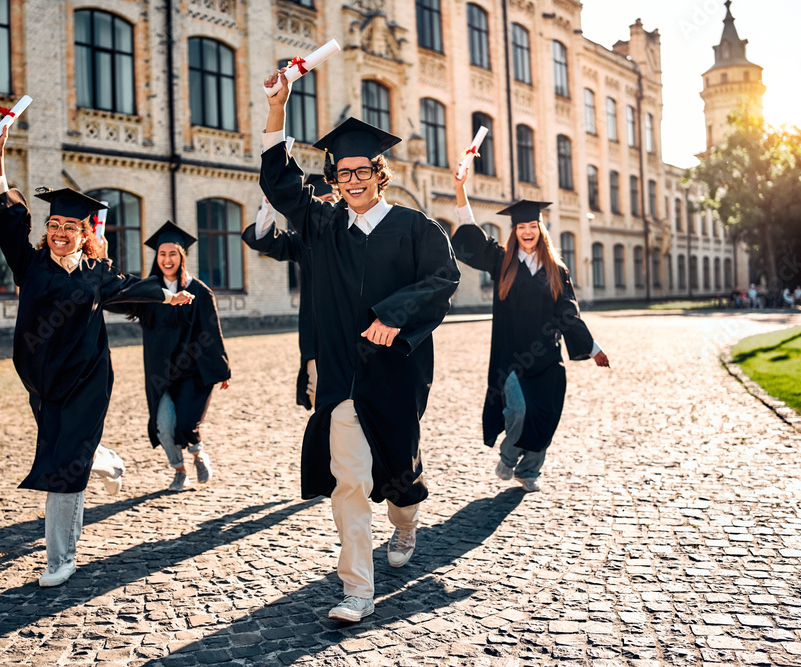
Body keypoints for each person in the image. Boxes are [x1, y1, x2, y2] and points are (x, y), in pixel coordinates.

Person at [260, 69, 460, 623]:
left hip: (397, 371)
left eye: (362, 171)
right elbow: (279, 182)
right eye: (343, 172)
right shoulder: (323, 226)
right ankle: (356, 589)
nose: (352, 179)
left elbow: (443, 280)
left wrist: (393, 318)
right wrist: (279, 108)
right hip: (345, 374)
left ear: (380, 173)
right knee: (349, 479)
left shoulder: (417, 227)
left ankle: (406, 522)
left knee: (398, 473)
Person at [0, 124, 192, 588]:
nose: (58, 232)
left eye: (68, 227)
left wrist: (168, 295)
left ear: (84, 233)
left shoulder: (97, 273)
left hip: (89, 381)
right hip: (42, 382)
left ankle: (60, 558)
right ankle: (107, 460)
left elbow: (135, 289)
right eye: (53, 225)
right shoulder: (29, 263)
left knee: (63, 467)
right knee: (69, 451)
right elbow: (4, 219)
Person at [450, 167, 609, 494]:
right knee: (520, 411)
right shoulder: (502, 261)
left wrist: (593, 348)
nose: (527, 232)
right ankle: (509, 456)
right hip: (511, 358)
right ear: (515, 230)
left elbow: (569, 312)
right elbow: (470, 231)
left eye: (532, 226)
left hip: (547, 359)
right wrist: (459, 188)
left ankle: (530, 471)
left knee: (547, 415)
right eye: (522, 226)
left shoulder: (556, 270)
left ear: (541, 229)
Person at [109, 222, 231, 492]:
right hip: (160, 373)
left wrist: (222, 369)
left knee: (186, 423)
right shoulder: (148, 291)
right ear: (157, 257)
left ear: (182, 256)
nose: (167, 259)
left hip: (192, 372)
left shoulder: (199, 292)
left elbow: (212, 330)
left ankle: (198, 454)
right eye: (162, 254)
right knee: (163, 427)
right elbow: (117, 300)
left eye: (173, 253)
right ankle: (179, 470)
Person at [242, 174, 337, 409]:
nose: (328, 206)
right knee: (317, 390)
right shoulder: (303, 242)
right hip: (317, 333)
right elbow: (265, 240)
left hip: (354, 334)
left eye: (332, 199)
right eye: (321, 201)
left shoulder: (357, 236)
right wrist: (269, 206)